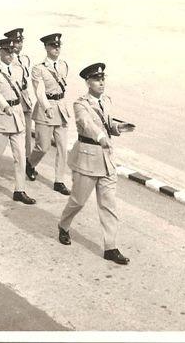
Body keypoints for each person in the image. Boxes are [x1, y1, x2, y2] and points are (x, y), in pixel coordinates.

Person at [57, 62, 130, 265]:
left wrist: (116, 128)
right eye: (96, 79)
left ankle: (111, 247)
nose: (101, 82)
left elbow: (106, 124)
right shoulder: (80, 104)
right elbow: (85, 124)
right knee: (78, 201)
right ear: (88, 82)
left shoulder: (106, 101)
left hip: (106, 159)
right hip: (87, 158)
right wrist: (100, 136)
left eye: (102, 78)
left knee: (109, 205)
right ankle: (63, 225)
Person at [0, 38, 36, 205]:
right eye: (6, 51)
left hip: (17, 114)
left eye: (12, 51)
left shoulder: (18, 70)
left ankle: (20, 190)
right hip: (2, 115)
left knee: (20, 155)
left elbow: (24, 89)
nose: (10, 55)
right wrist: (5, 106)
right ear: (0, 51)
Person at [26, 33, 70, 195]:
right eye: (52, 46)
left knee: (63, 147)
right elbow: (39, 91)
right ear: (46, 47)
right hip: (46, 110)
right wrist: (46, 107)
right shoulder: (39, 68)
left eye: (58, 45)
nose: (56, 48)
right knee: (42, 147)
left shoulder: (64, 65)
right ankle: (30, 163)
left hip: (61, 109)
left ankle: (59, 181)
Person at [4, 28, 34, 159]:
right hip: (12, 99)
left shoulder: (25, 59)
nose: (19, 45)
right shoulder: (7, 60)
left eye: (21, 41)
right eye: (16, 42)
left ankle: (26, 161)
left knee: (27, 132)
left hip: (25, 98)